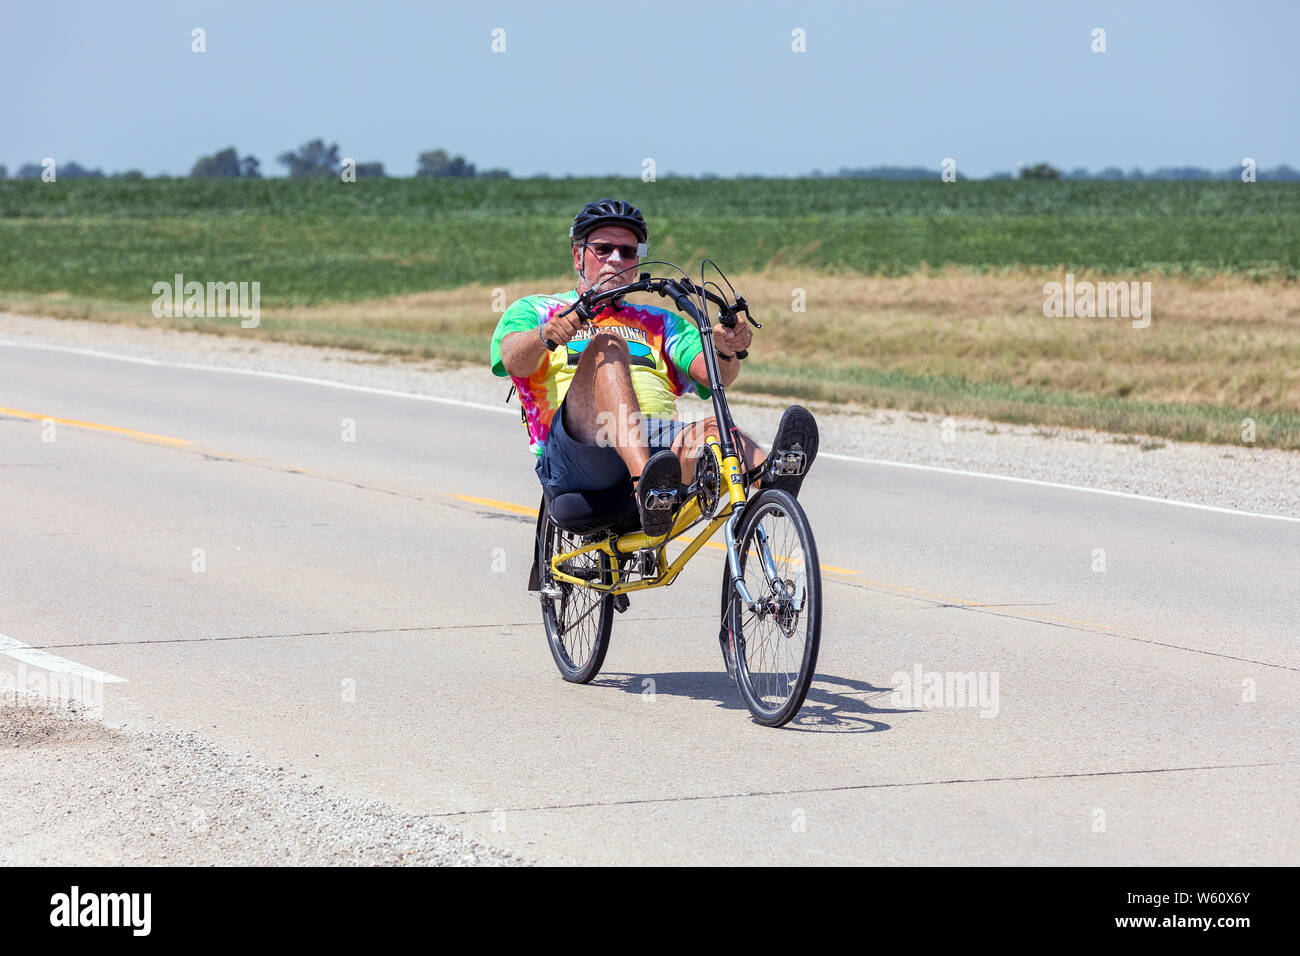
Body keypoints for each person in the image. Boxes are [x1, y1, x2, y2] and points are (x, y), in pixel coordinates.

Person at [490, 198, 818, 536]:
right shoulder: (539, 309)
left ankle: (773, 479)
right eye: (603, 249)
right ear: (578, 255)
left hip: (656, 444)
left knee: (714, 432)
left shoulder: (660, 323)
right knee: (607, 344)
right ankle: (644, 485)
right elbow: (513, 357)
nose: (615, 259)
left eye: (628, 252)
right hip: (578, 449)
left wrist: (725, 347)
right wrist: (545, 334)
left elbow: (716, 375)